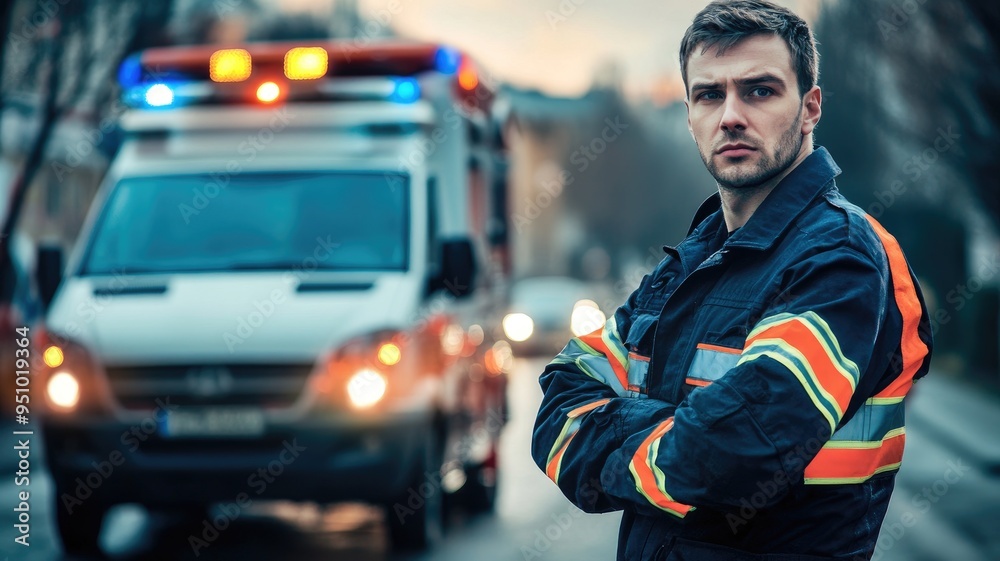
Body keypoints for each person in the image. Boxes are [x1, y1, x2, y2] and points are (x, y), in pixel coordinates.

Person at [530, 1, 933, 559]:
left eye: (760, 91)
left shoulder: (840, 257)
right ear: (690, 113)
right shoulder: (690, 264)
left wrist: (614, 437)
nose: (731, 116)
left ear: (810, 108)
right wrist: (676, 435)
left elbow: (735, 454)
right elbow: (558, 402)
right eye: (709, 95)